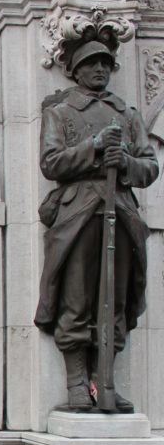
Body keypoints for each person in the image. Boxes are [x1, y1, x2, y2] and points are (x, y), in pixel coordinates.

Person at [35, 40, 159, 412]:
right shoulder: (60, 112)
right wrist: (93, 146)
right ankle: (76, 383)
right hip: (78, 214)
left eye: (105, 64)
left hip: (119, 209)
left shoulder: (128, 114)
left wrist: (124, 162)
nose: (100, 70)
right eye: (91, 65)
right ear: (75, 70)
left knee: (115, 299)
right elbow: (51, 163)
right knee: (77, 297)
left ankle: (102, 380)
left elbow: (149, 167)